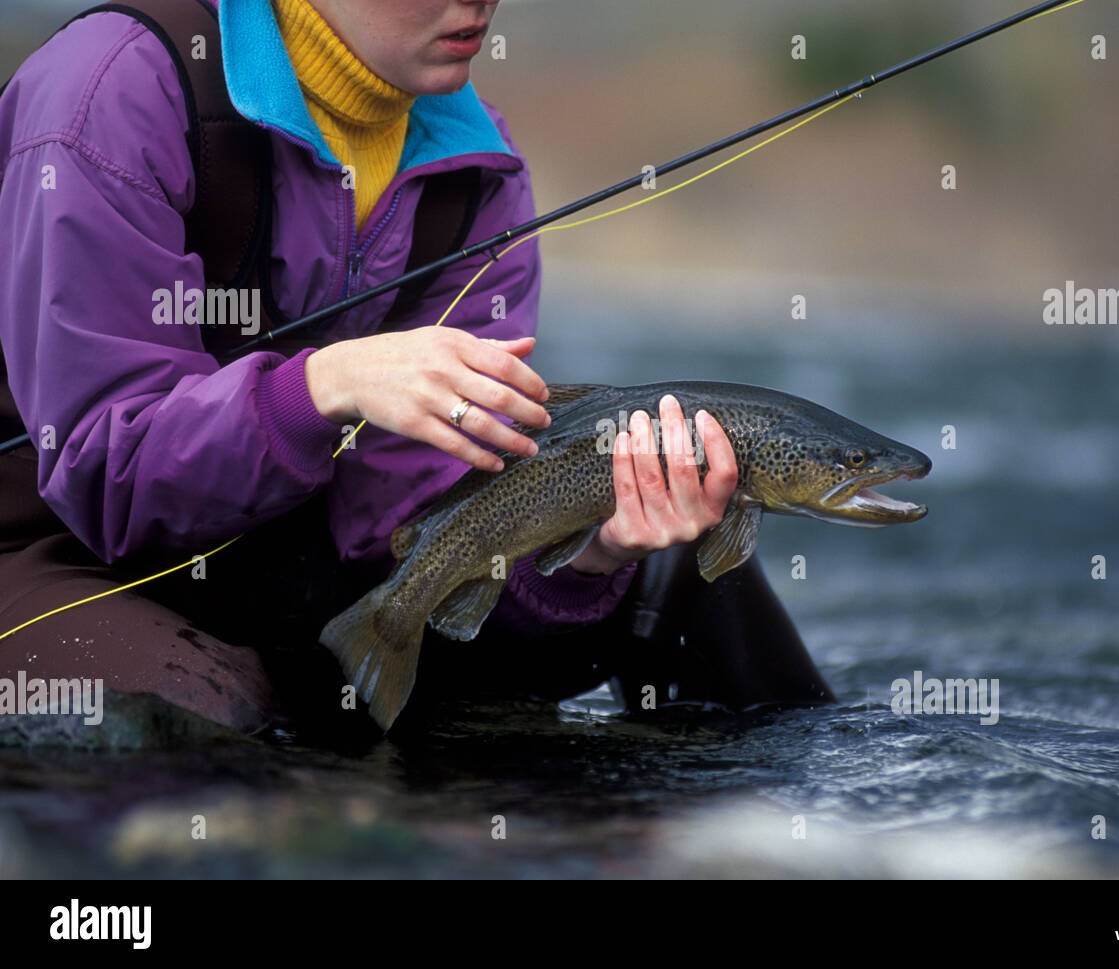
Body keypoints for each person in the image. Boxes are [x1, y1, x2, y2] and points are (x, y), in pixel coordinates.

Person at [0, 0, 832, 736]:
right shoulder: (110, 90)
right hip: (56, 553)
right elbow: (108, 474)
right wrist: (322, 387)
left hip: (294, 569)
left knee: (680, 558)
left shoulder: (480, 168)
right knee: (204, 720)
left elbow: (414, 535)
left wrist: (589, 557)